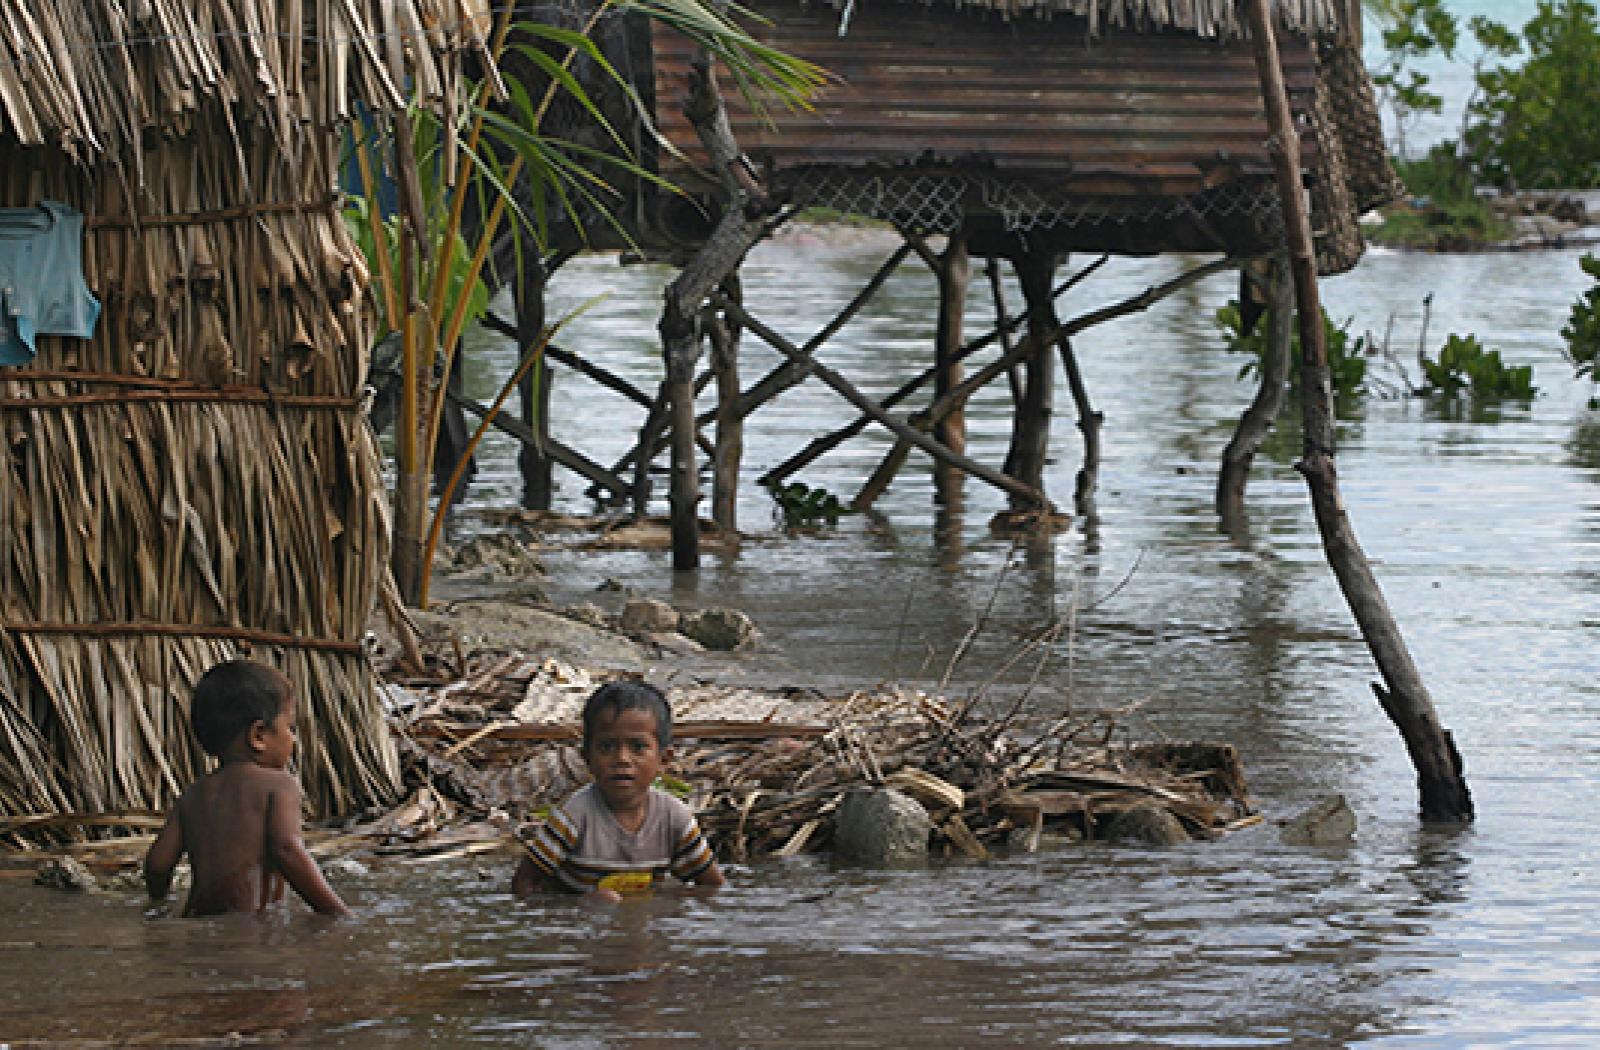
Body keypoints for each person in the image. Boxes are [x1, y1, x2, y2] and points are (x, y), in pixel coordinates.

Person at [144, 659, 352, 918]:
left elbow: (157, 864)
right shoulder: (279, 784)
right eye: (290, 728)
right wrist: (337, 912)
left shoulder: (193, 795)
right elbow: (287, 850)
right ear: (259, 736)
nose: (294, 739)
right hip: (254, 928)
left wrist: (159, 902)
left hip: (199, 924)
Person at [513, 680, 725, 902]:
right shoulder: (574, 817)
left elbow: (712, 886)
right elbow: (524, 884)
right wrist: (574, 909)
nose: (622, 759)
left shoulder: (674, 819)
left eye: (638, 747)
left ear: (664, 759)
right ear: (587, 758)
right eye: (607, 747)